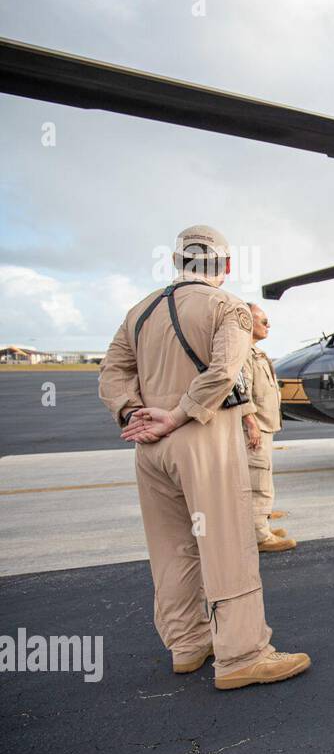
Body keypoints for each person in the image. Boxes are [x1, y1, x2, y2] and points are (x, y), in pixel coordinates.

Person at [99, 225, 310, 690]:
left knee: (171, 547)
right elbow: (223, 372)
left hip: (149, 446)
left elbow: (112, 370)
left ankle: (188, 643)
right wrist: (177, 415)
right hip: (201, 437)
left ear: (177, 262)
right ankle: (242, 654)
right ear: (227, 266)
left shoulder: (139, 311)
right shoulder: (228, 307)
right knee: (227, 545)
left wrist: (134, 412)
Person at [242, 303, 295, 553]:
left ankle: (260, 525)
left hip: (264, 427)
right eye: (263, 321)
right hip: (255, 429)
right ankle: (260, 537)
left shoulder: (256, 353)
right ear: (246, 322)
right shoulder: (243, 354)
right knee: (258, 484)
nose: (268, 325)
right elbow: (242, 394)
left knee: (263, 480)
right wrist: (251, 424)